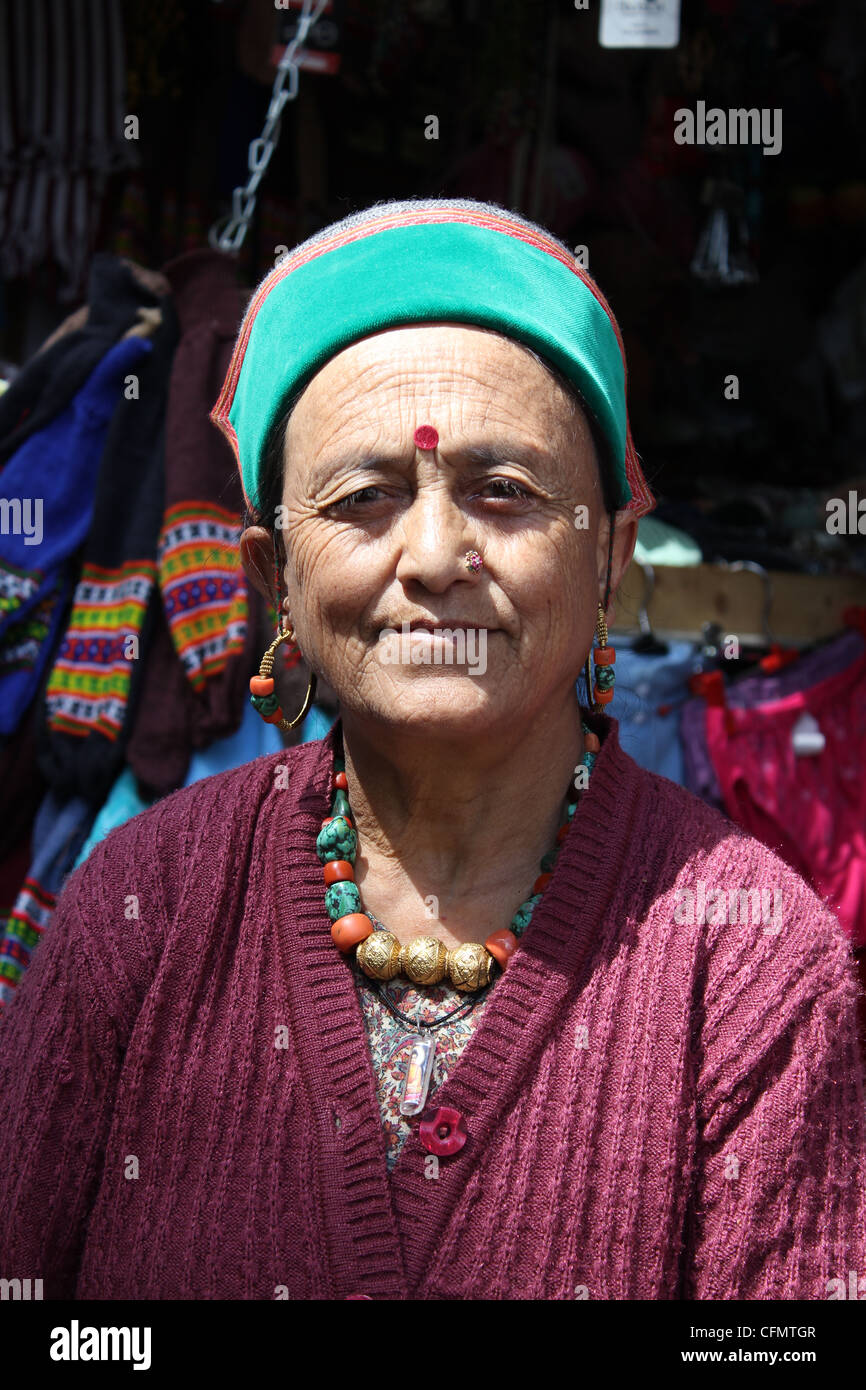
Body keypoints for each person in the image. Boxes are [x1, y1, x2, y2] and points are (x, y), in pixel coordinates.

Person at [0, 198, 863, 1301]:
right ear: (275, 581)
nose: (435, 553)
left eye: (502, 491)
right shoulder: (139, 907)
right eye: (365, 498)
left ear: (609, 557)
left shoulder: (749, 962)